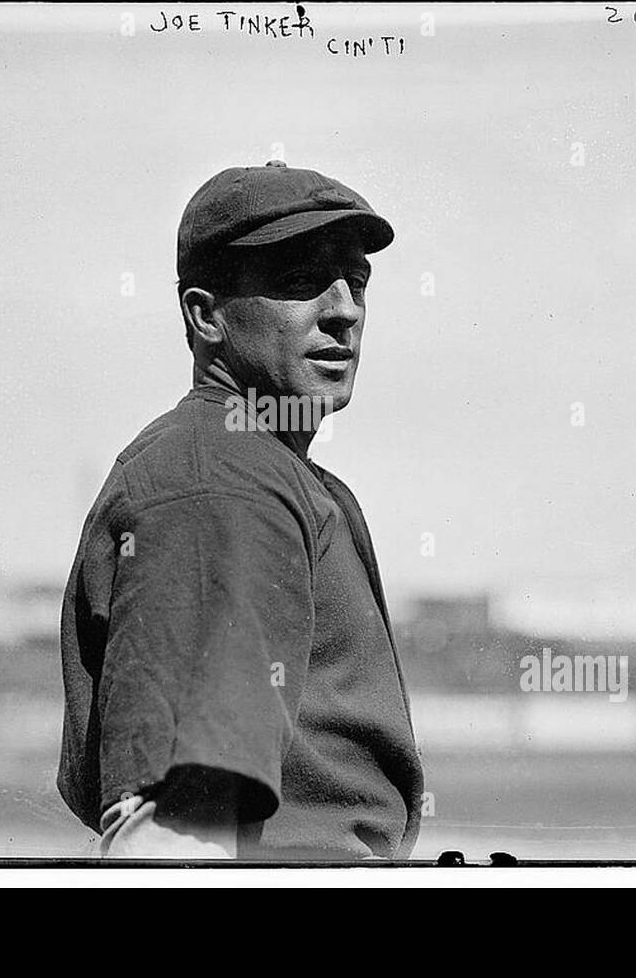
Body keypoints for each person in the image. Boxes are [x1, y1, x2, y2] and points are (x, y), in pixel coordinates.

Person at [56, 159, 424, 861]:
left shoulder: (268, 471)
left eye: (358, 280)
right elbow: (168, 837)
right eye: (298, 281)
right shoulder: (219, 481)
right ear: (204, 314)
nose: (344, 309)